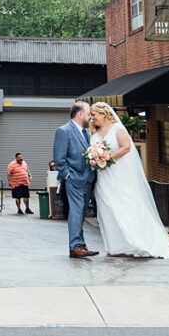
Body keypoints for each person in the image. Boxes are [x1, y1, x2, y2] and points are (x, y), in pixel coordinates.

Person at [87, 101, 169, 259]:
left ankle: (139, 242)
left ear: (103, 114)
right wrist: (94, 158)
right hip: (103, 177)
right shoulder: (94, 133)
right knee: (107, 209)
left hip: (119, 175)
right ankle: (116, 247)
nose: (92, 118)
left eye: (94, 115)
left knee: (127, 207)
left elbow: (126, 147)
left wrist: (107, 157)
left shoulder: (117, 129)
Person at [52, 101, 99, 258]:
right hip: (74, 179)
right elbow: (59, 159)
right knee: (76, 212)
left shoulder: (86, 133)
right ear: (80, 114)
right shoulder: (63, 131)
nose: (90, 117)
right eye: (88, 114)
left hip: (87, 180)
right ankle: (75, 246)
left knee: (81, 213)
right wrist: (68, 177)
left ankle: (81, 244)